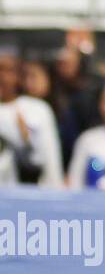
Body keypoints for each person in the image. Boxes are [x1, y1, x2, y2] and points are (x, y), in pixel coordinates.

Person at [0, 50, 63, 187]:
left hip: (24, 194)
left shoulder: (37, 109)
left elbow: (50, 159)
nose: (2, 77)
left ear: (19, 76)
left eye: (7, 71)